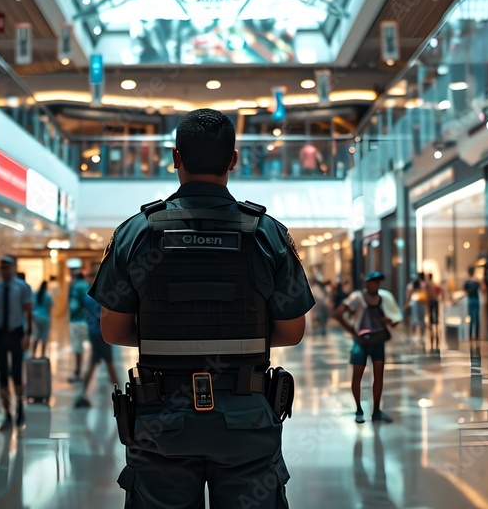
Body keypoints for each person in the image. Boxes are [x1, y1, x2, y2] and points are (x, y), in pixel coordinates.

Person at [91, 108, 314, 508]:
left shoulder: (136, 232)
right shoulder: (268, 234)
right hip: (247, 421)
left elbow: (113, 330)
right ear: (233, 159)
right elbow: (291, 331)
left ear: (175, 157)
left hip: (161, 420)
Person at [334, 271, 403, 423]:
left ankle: (376, 410)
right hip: (361, 341)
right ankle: (358, 409)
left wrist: (389, 321)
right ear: (367, 283)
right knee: (357, 375)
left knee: (378, 375)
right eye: (373, 282)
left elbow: (394, 319)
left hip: (378, 340)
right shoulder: (357, 297)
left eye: (377, 282)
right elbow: (338, 313)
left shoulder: (383, 298)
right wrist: (351, 329)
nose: (375, 285)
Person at [0, 256, 34, 430]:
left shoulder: (22, 287)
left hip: (16, 333)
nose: (5, 271)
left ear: (13, 268)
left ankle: (20, 406)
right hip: (0, 334)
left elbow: (28, 312)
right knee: (3, 374)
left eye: (7, 267)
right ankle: (7, 413)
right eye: (2, 268)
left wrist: (27, 334)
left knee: (17, 373)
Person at [74, 270, 121, 408]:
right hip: (102, 335)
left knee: (94, 362)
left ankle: (82, 394)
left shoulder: (89, 297)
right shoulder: (106, 297)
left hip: (93, 333)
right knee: (109, 363)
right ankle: (120, 394)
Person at [67, 270, 91, 383]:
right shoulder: (86, 285)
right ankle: (84, 372)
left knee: (77, 348)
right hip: (85, 320)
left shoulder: (74, 286)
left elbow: (72, 305)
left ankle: (78, 372)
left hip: (76, 321)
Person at [32, 280, 52, 358]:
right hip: (45, 317)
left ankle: (33, 354)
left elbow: (33, 305)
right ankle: (42, 354)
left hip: (36, 316)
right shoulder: (48, 295)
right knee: (44, 337)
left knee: (36, 336)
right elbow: (50, 308)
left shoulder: (35, 294)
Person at [464, 267, 485, 341]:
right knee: (477, 318)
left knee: (471, 318)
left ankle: (470, 335)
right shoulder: (476, 281)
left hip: (470, 300)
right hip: (476, 300)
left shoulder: (467, 281)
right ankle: (476, 335)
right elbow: (483, 289)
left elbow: (465, 292)